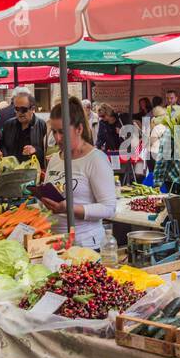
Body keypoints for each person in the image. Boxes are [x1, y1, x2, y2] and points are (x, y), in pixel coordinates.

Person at [38, 97, 117, 249]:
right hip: (54, 242)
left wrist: (68, 208)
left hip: (86, 245)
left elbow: (109, 208)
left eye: (62, 132)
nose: (57, 138)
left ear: (79, 129)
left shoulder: (96, 159)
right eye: (54, 132)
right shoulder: (55, 158)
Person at [0, 90, 47, 166]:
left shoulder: (42, 125)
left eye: (23, 109)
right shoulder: (8, 124)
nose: (20, 112)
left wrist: (35, 150)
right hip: (11, 171)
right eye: (17, 109)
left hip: (33, 173)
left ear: (32, 109)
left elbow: (47, 152)